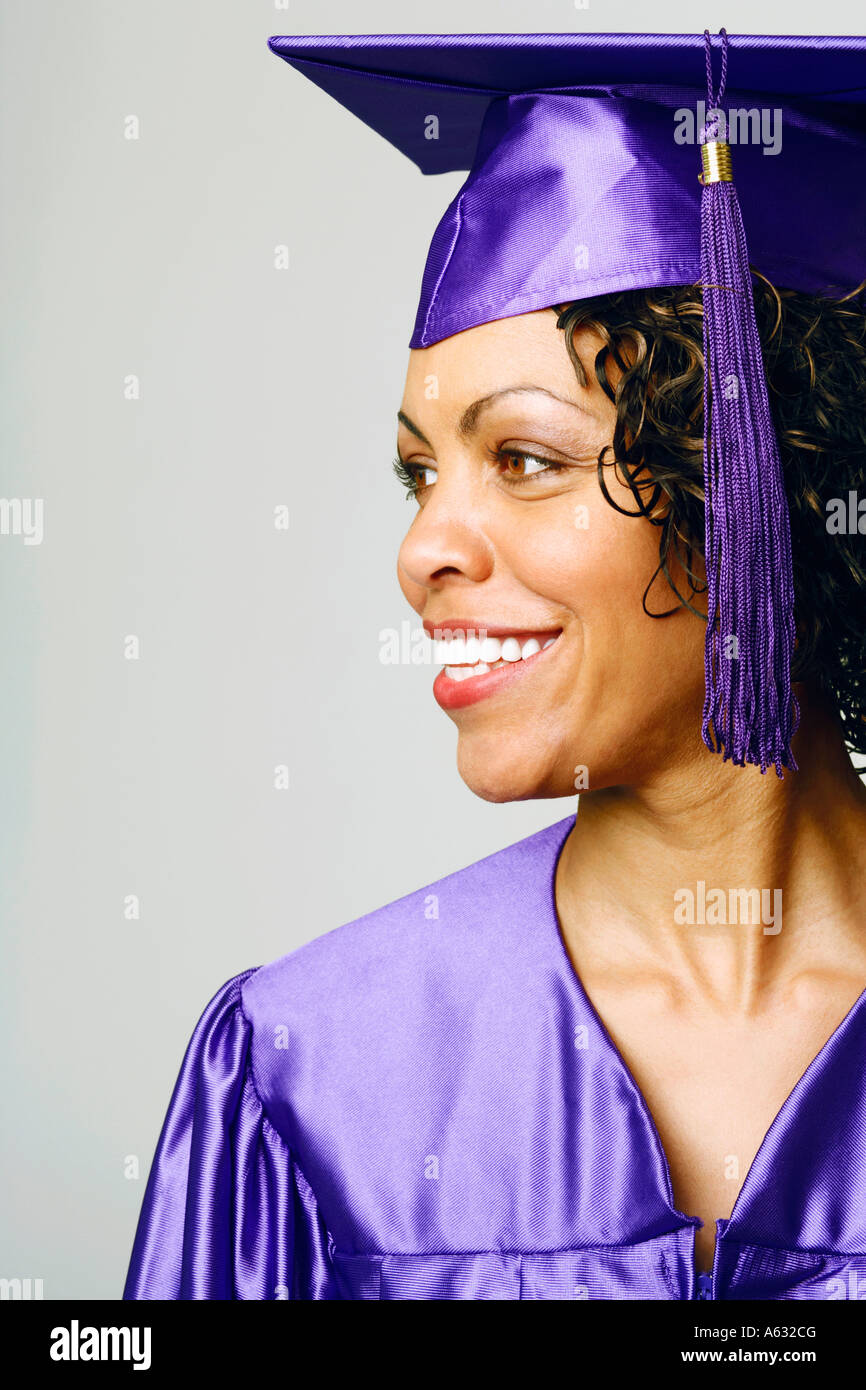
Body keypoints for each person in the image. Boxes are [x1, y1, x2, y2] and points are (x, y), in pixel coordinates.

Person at [123, 30, 866, 1300]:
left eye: (520, 459)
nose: (421, 551)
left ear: (767, 485)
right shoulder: (309, 1074)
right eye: (418, 473)